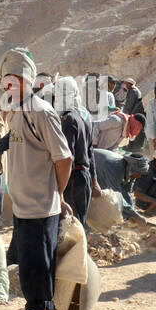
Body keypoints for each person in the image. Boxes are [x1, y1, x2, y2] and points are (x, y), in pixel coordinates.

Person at [0, 48, 72, 310]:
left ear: (25, 82)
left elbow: (64, 158)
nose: (6, 88)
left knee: (38, 275)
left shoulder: (40, 111)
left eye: (11, 82)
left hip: (41, 211)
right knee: (30, 274)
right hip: (25, 209)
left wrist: (57, 194)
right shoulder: (16, 112)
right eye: (4, 83)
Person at [53, 77, 101, 228]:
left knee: (70, 226)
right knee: (80, 222)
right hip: (84, 176)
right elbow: (90, 151)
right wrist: (94, 180)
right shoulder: (85, 115)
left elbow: (67, 157)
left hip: (72, 178)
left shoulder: (68, 119)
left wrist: (59, 188)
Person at [92, 148, 149, 226]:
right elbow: (116, 195)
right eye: (139, 172)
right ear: (132, 168)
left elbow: (127, 191)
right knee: (101, 192)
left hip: (102, 166)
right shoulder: (115, 169)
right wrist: (135, 215)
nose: (139, 175)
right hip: (91, 163)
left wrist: (131, 214)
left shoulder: (131, 170)